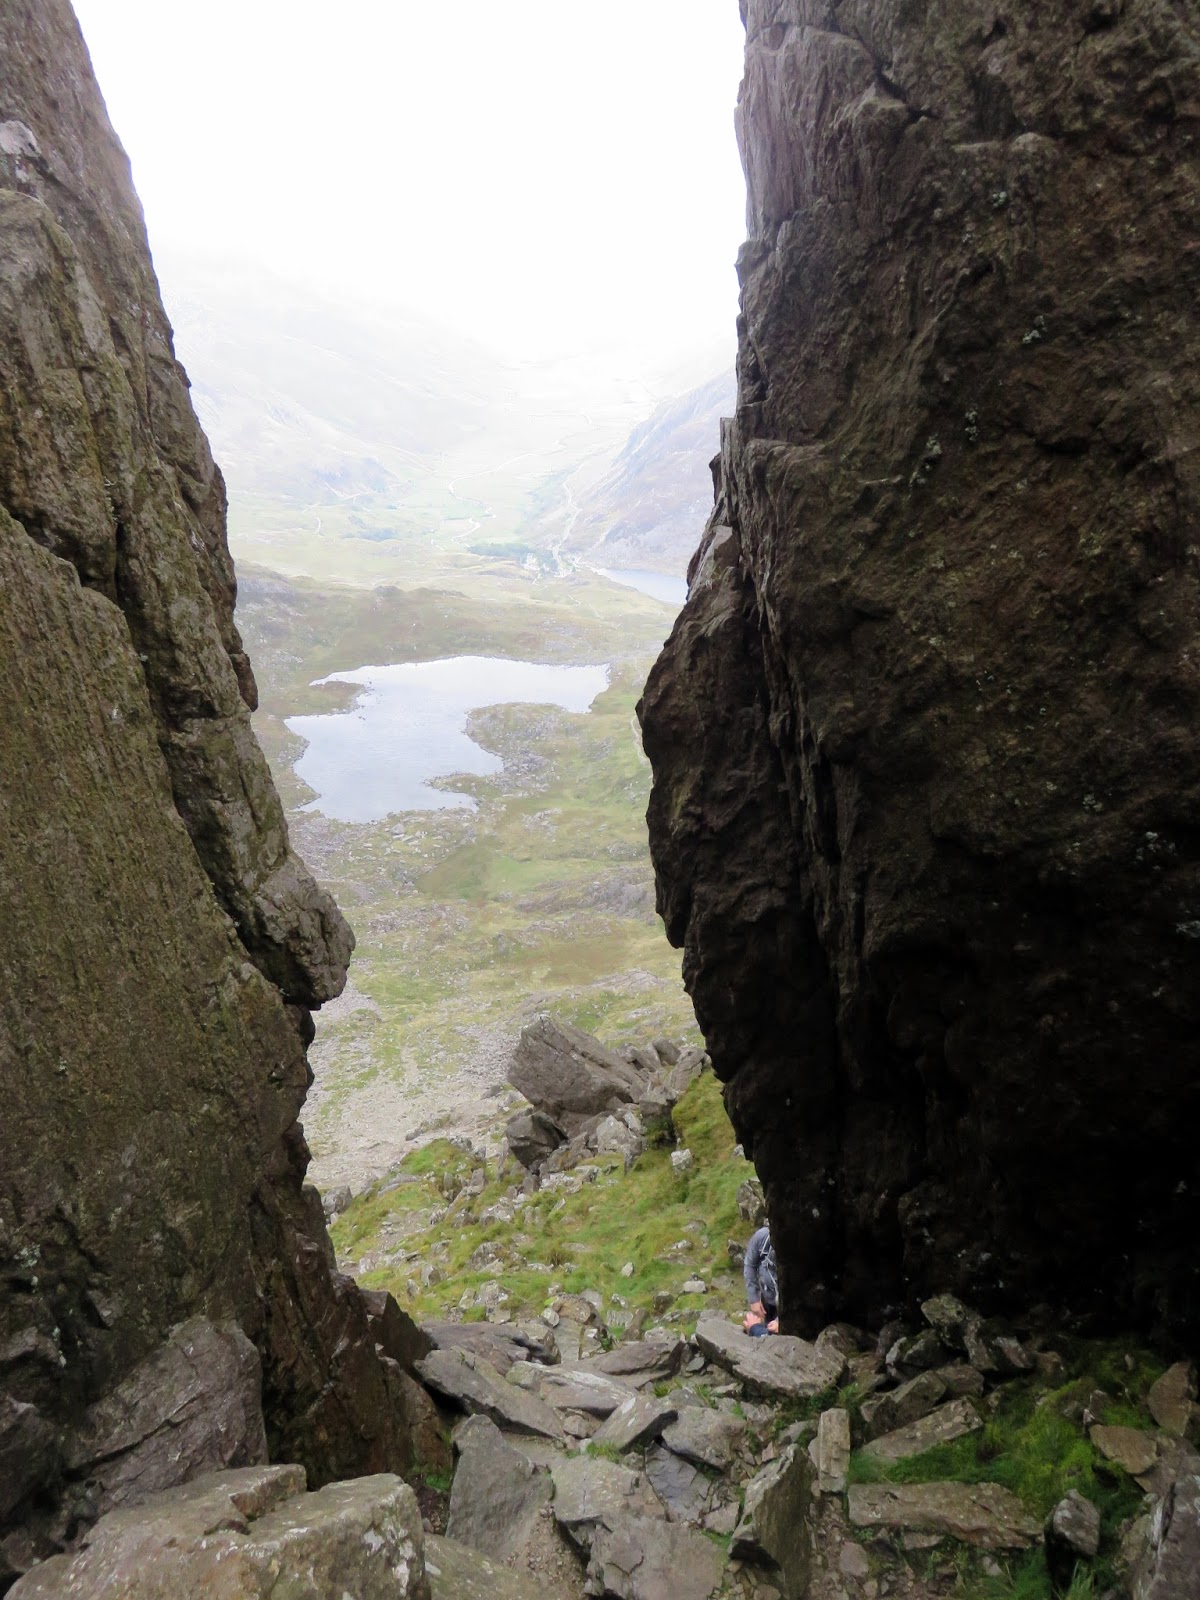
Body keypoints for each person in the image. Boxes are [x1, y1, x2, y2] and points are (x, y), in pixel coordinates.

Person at [742, 1224, 779, 1336]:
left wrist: (780, 1321)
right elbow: (749, 1265)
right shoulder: (762, 1237)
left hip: (790, 1307)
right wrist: (754, 1298)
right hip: (768, 1299)